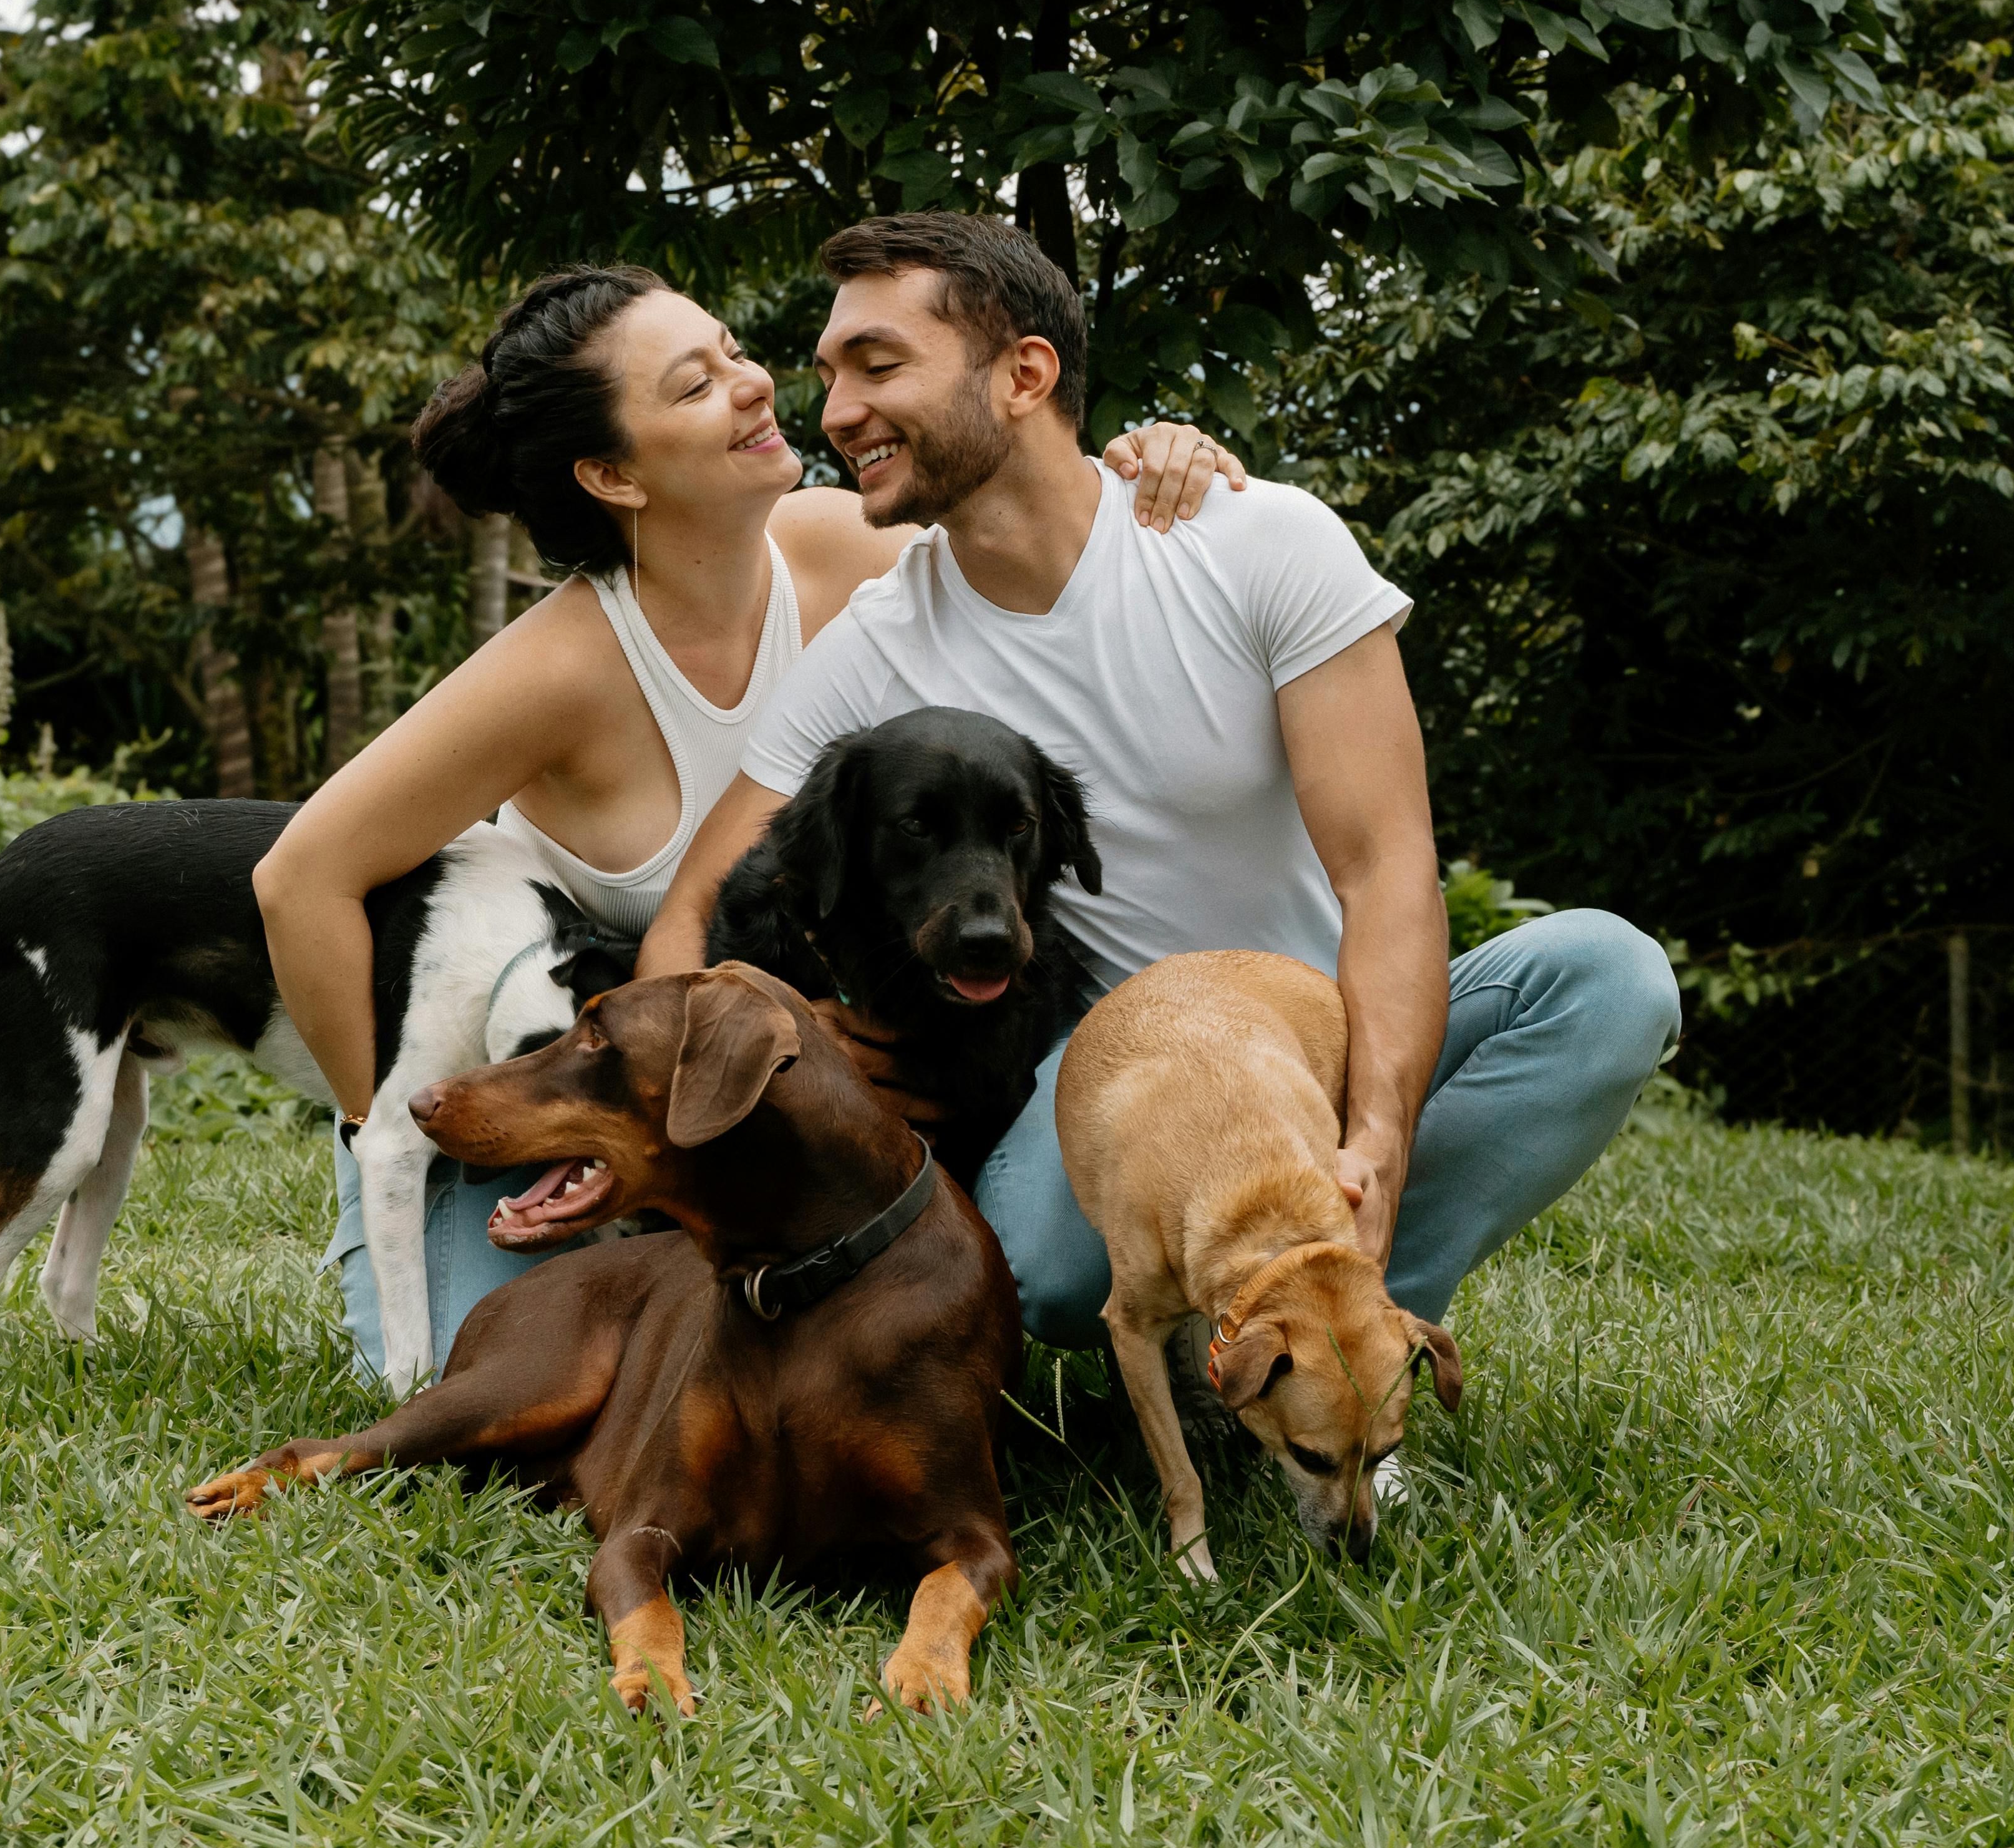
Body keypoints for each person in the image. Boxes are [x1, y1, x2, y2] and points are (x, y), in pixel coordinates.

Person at [641, 212, 1680, 1346]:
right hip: (1122, 1079)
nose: (837, 411)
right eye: (831, 376)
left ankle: (1342, 1323)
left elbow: (1387, 870)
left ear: (1025, 375)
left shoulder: (1258, 542)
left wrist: (1378, 1142)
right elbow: (693, 912)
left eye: (877, 366)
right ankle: (1242, 1324)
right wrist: (791, 1043)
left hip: (1319, 1033)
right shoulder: (874, 651)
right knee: (1037, 1273)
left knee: (1610, 980)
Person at [255, 261, 1242, 1379]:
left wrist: (1161, 456)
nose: (755, 383)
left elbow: (1049, 528)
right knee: (500, 1390)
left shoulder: (850, 547)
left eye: (732, 350)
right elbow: (299, 881)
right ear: (612, 475)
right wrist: (380, 1128)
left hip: (740, 1100)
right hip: (545, 1088)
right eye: (695, 385)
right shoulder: (559, 670)